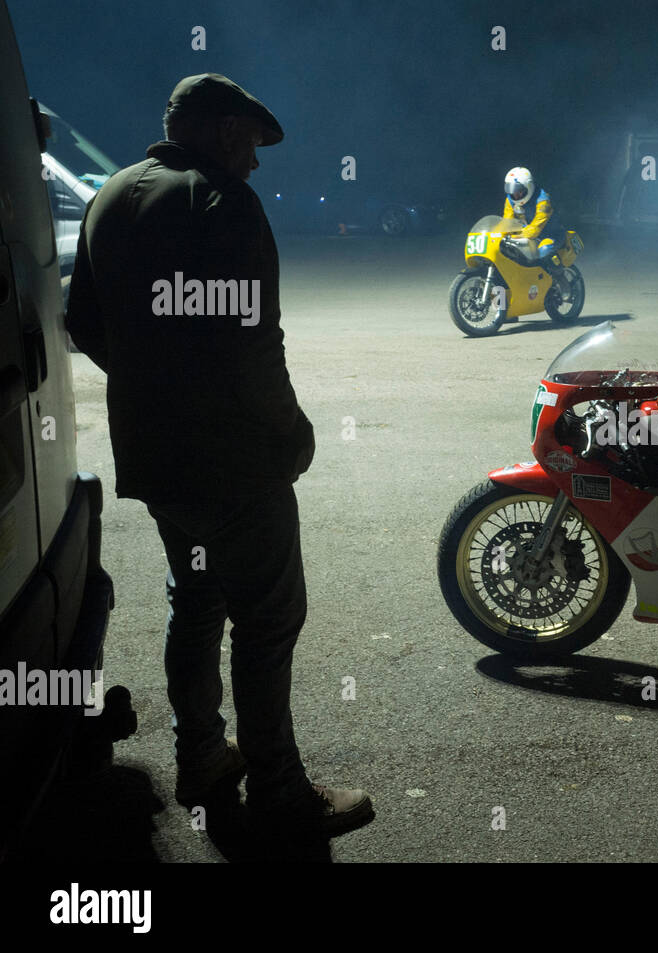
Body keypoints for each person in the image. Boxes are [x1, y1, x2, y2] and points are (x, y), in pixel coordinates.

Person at [65, 73, 373, 838]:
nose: (257, 163)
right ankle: (279, 788)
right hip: (235, 461)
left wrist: (151, 386)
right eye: (249, 143)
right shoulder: (221, 202)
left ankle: (201, 756)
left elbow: (81, 321)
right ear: (220, 130)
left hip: (157, 459)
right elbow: (252, 344)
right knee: (268, 621)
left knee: (196, 603)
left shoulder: (111, 194)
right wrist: (291, 432)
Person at [502, 166, 570, 294]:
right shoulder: (510, 200)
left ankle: (560, 277)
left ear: (528, 187)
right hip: (526, 235)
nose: (515, 194)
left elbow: (536, 227)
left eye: (518, 190)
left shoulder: (543, 199)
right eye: (511, 190)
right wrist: (500, 235)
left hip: (551, 234)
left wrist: (517, 236)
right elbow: (507, 221)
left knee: (543, 251)